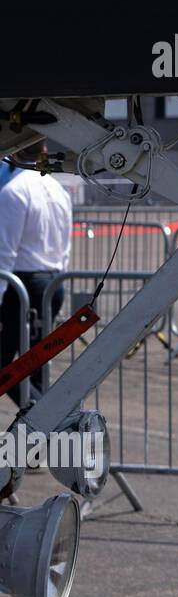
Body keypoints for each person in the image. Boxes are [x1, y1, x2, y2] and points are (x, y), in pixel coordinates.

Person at [0, 141, 73, 405]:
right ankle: (43, 425)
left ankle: (42, 420)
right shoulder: (57, 188)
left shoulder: (14, 192)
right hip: (52, 282)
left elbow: (4, 253)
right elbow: (65, 246)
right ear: (44, 153)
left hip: (22, 286)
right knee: (36, 364)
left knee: (10, 365)